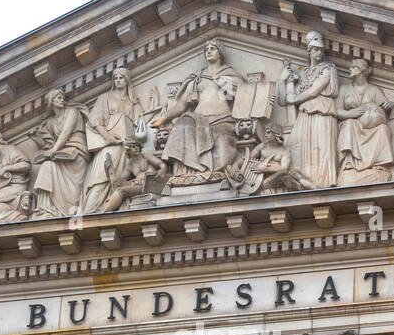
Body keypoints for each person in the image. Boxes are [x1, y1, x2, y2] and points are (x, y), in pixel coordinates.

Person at [152, 38, 242, 179]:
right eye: (206, 49)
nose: (208, 52)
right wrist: (164, 118)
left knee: (222, 142)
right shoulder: (197, 79)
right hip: (198, 120)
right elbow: (182, 104)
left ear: (220, 53)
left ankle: (213, 172)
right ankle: (184, 174)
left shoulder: (228, 74)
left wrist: (222, 82)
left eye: (212, 49)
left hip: (222, 120)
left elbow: (244, 93)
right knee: (182, 123)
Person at [82, 67, 145, 212]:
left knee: (119, 178)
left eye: (121, 77)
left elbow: (140, 124)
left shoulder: (131, 102)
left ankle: (111, 205)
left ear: (127, 80)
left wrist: (137, 105)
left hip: (127, 147)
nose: (117, 80)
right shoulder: (106, 97)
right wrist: (107, 137)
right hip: (109, 145)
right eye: (115, 78)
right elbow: (95, 120)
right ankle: (90, 210)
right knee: (101, 178)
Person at [282, 30, 338, 188]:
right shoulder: (305, 72)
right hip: (306, 112)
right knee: (301, 145)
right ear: (309, 51)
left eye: (321, 49)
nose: (319, 52)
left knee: (320, 145)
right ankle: (304, 179)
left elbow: (314, 90)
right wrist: (289, 82)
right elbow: (300, 91)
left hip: (322, 111)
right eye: (315, 49)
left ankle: (323, 181)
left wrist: (295, 98)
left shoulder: (328, 69)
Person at [31, 88, 90, 218]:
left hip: (77, 153)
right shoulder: (51, 123)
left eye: (62, 97)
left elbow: (65, 133)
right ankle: (46, 209)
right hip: (61, 154)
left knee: (73, 191)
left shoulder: (72, 112)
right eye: (58, 97)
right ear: (51, 102)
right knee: (47, 166)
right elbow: (49, 145)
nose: (62, 99)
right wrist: (36, 138)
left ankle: (68, 209)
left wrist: (53, 150)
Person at [335, 59, 394, 186]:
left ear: (362, 71)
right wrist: (350, 114)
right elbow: (337, 110)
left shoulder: (374, 89)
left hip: (373, 127)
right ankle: (349, 165)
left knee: (383, 129)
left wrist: (388, 105)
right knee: (349, 124)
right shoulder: (344, 89)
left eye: (353, 67)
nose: (350, 69)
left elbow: (385, 105)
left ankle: (379, 166)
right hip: (354, 125)